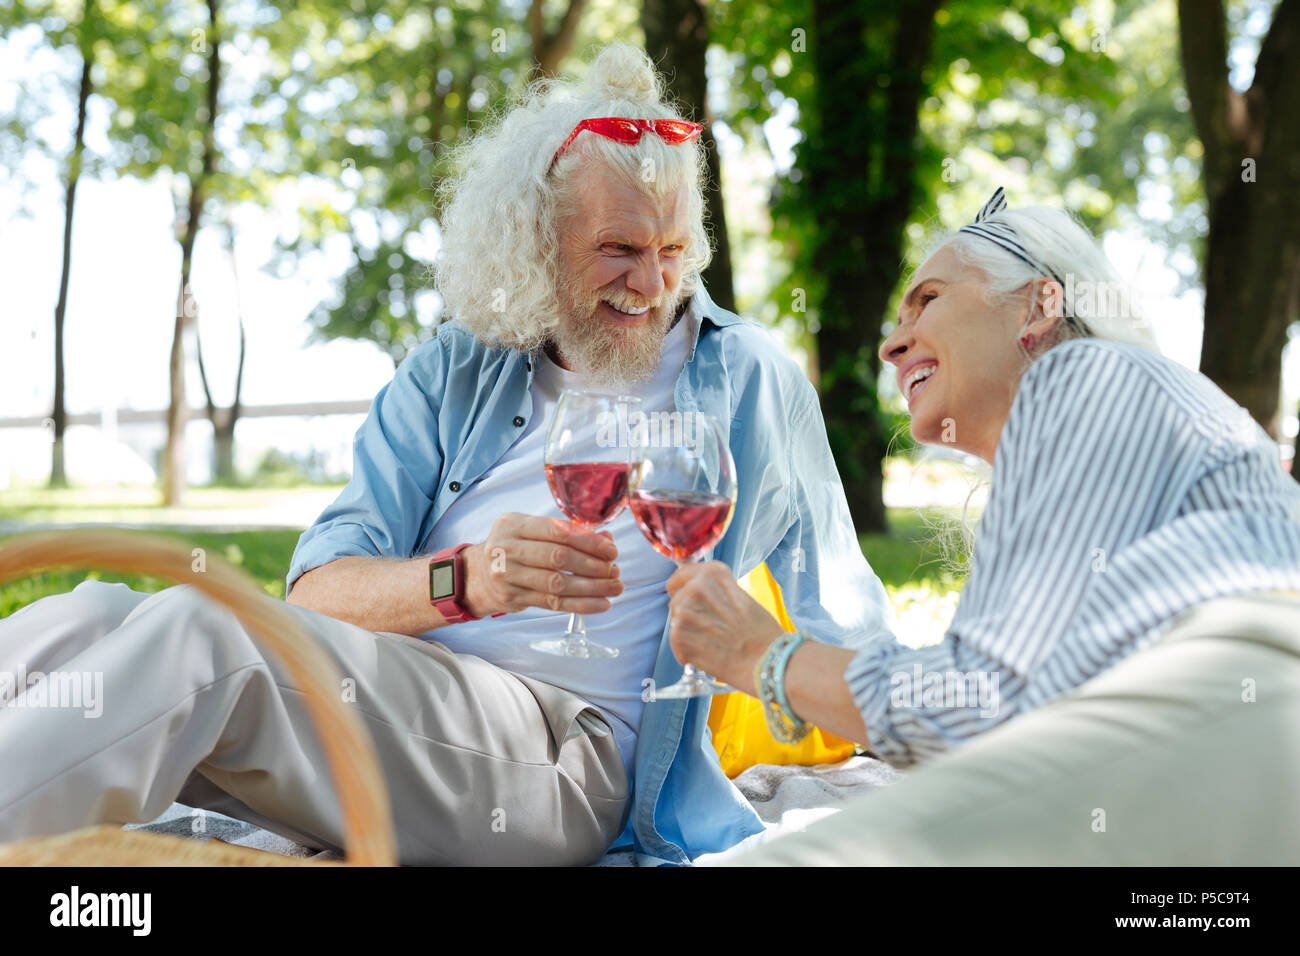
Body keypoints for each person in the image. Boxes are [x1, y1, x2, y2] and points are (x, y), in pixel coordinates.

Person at [0, 44, 895, 866]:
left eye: (671, 252)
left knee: (208, 637)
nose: (652, 284)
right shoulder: (453, 370)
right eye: (618, 250)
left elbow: (844, 613)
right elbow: (316, 591)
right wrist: (465, 582)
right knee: (84, 617)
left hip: (566, 752)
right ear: (538, 243)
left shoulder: (750, 382)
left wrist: (950, 722)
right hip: (413, 696)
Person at [665, 187, 1300, 796]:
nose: (890, 346)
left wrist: (764, 656)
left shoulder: (1085, 375)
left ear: (1038, 306)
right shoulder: (1108, 421)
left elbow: (978, 709)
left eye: (928, 299)